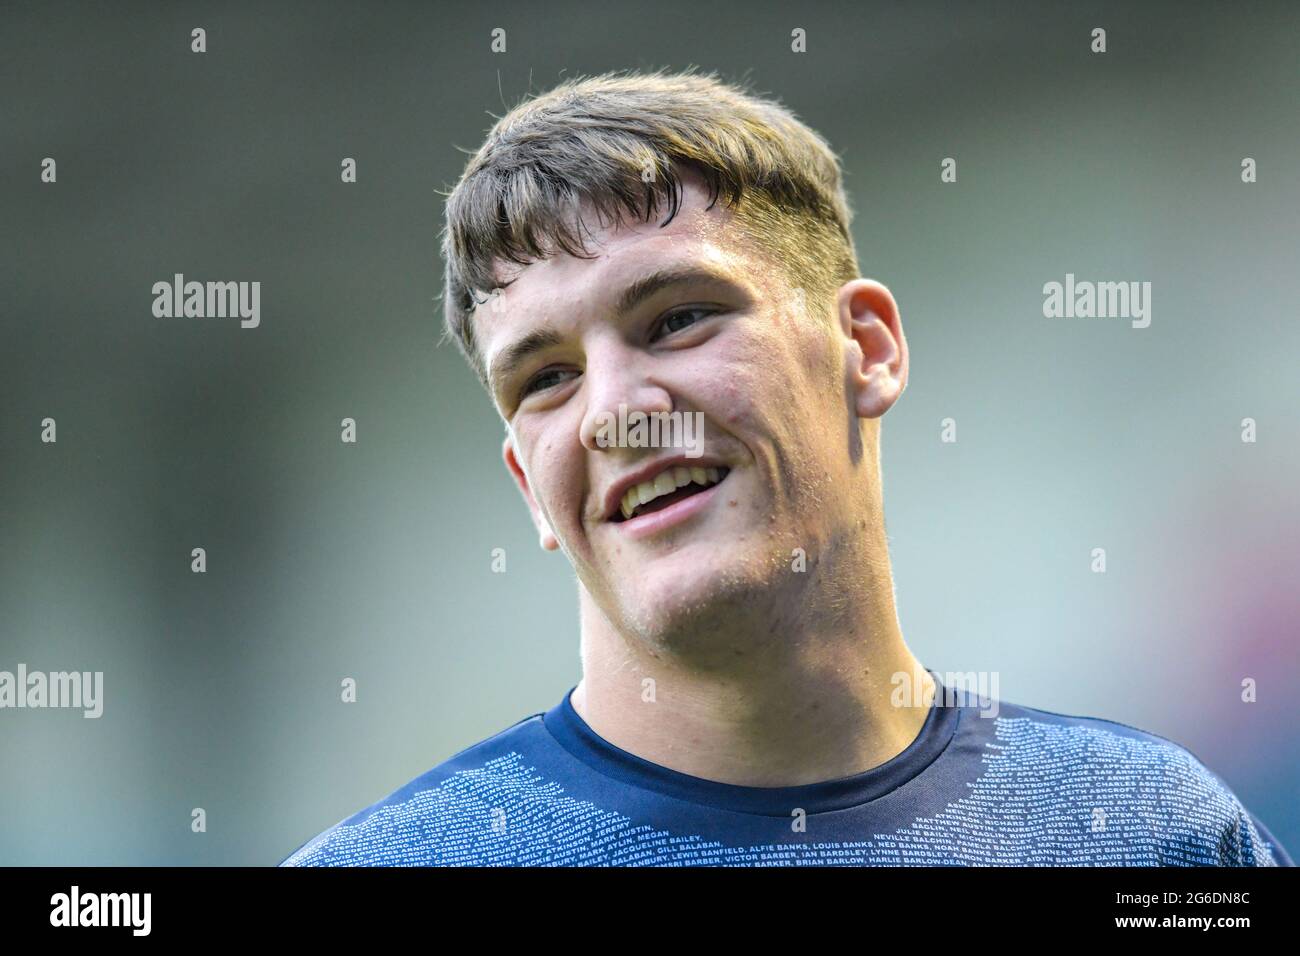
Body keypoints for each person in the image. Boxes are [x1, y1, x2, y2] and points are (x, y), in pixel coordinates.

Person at [280, 69, 1290, 867]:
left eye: (677, 318)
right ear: (525, 485)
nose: (616, 416)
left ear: (868, 346)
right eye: (545, 377)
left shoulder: (1151, 831)